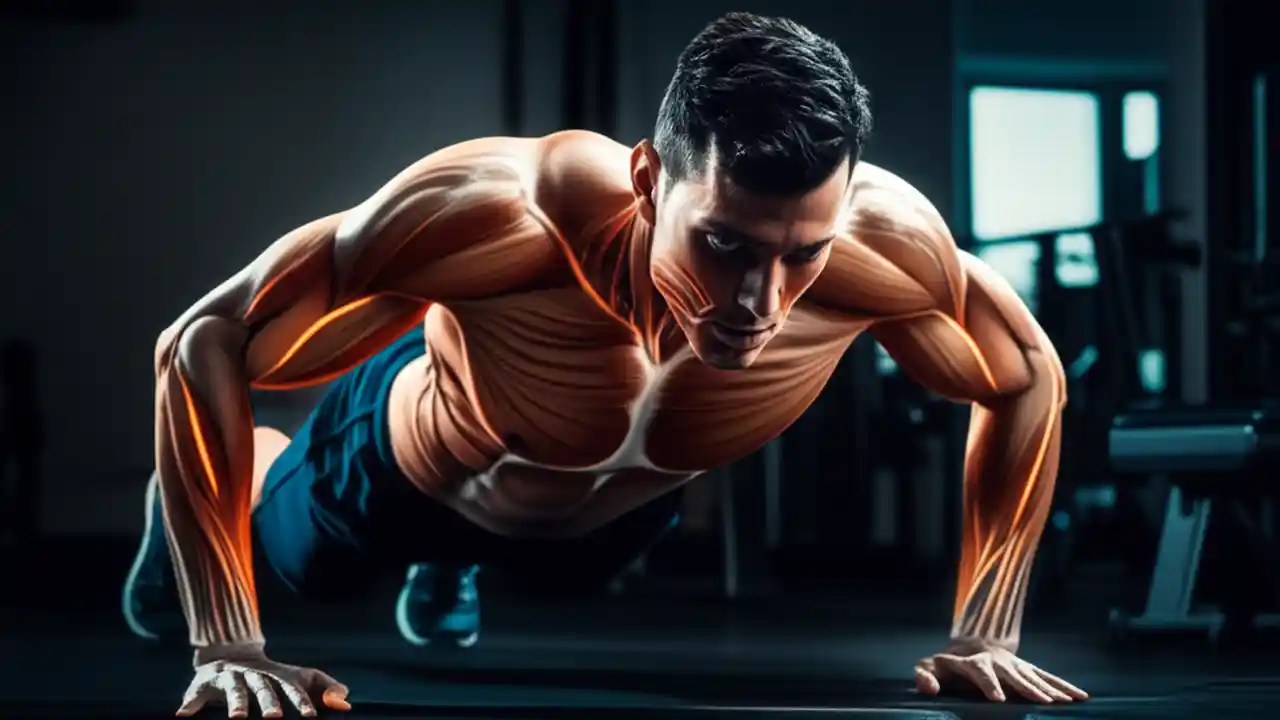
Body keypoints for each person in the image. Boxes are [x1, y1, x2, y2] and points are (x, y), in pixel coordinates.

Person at [123, 12, 1087, 718]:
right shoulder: (508, 213)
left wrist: (985, 634)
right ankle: (194, 498)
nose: (760, 299)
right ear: (645, 180)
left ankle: (463, 570)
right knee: (310, 567)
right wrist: (227, 642)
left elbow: (1026, 373)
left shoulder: (889, 251)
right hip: (402, 472)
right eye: (724, 243)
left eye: (803, 254)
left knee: (568, 576)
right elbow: (203, 340)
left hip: (606, 528)